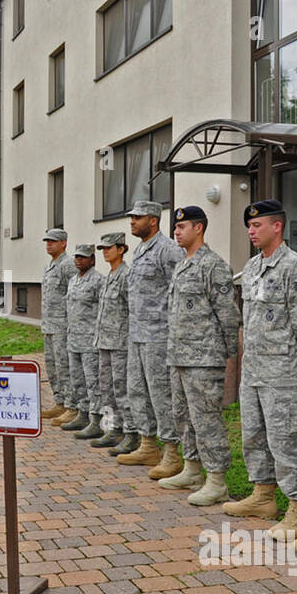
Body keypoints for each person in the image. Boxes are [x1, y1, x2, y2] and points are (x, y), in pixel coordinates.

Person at [224, 199, 297, 535]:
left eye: (258, 225)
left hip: (282, 371)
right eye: (249, 226)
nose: (251, 231)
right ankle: (263, 495)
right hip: (253, 369)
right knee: (253, 435)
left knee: (286, 439)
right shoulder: (251, 268)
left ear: (277, 226)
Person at [158, 206, 241, 505]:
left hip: (204, 358)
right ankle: (192, 469)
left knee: (206, 419)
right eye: (175, 227)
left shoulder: (213, 265)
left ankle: (217, 480)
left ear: (199, 228)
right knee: (183, 416)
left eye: (182, 227)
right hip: (179, 355)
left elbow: (228, 314)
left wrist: (226, 353)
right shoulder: (182, 265)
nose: (176, 232)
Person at [119, 200, 184, 478]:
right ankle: (148, 444)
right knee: (137, 390)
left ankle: (171, 452)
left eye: (137, 218)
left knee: (160, 394)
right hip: (137, 334)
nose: (132, 222)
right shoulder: (141, 249)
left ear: (154, 220)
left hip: (159, 336)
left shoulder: (168, 250)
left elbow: (180, 289)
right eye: (131, 217)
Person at [92, 232, 135, 453]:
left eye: (109, 247)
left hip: (120, 343)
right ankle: (111, 428)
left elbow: (132, 310)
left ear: (121, 249)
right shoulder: (109, 275)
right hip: (105, 342)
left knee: (122, 389)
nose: (105, 251)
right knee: (106, 388)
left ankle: (130, 432)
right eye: (103, 248)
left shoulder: (127, 275)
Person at [61, 244, 104, 437]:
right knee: (77, 381)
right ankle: (82, 413)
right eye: (77, 257)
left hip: (90, 342)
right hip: (74, 340)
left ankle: (96, 419)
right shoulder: (73, 281)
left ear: (92, 260)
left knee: (92, 383)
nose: (79, 260)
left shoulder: (99, 281)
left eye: (83, 257)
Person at [40, 228, 74, 422]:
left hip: (62, 325)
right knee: (52, 366)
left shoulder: (68, 265)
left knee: (64, 366)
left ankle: (70, 405)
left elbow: (75, 293)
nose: (48, 244)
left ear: (63, 243)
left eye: (53, 241)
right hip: (49, 325)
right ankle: (59, 402)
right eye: (47, 241)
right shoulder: (50, 265)